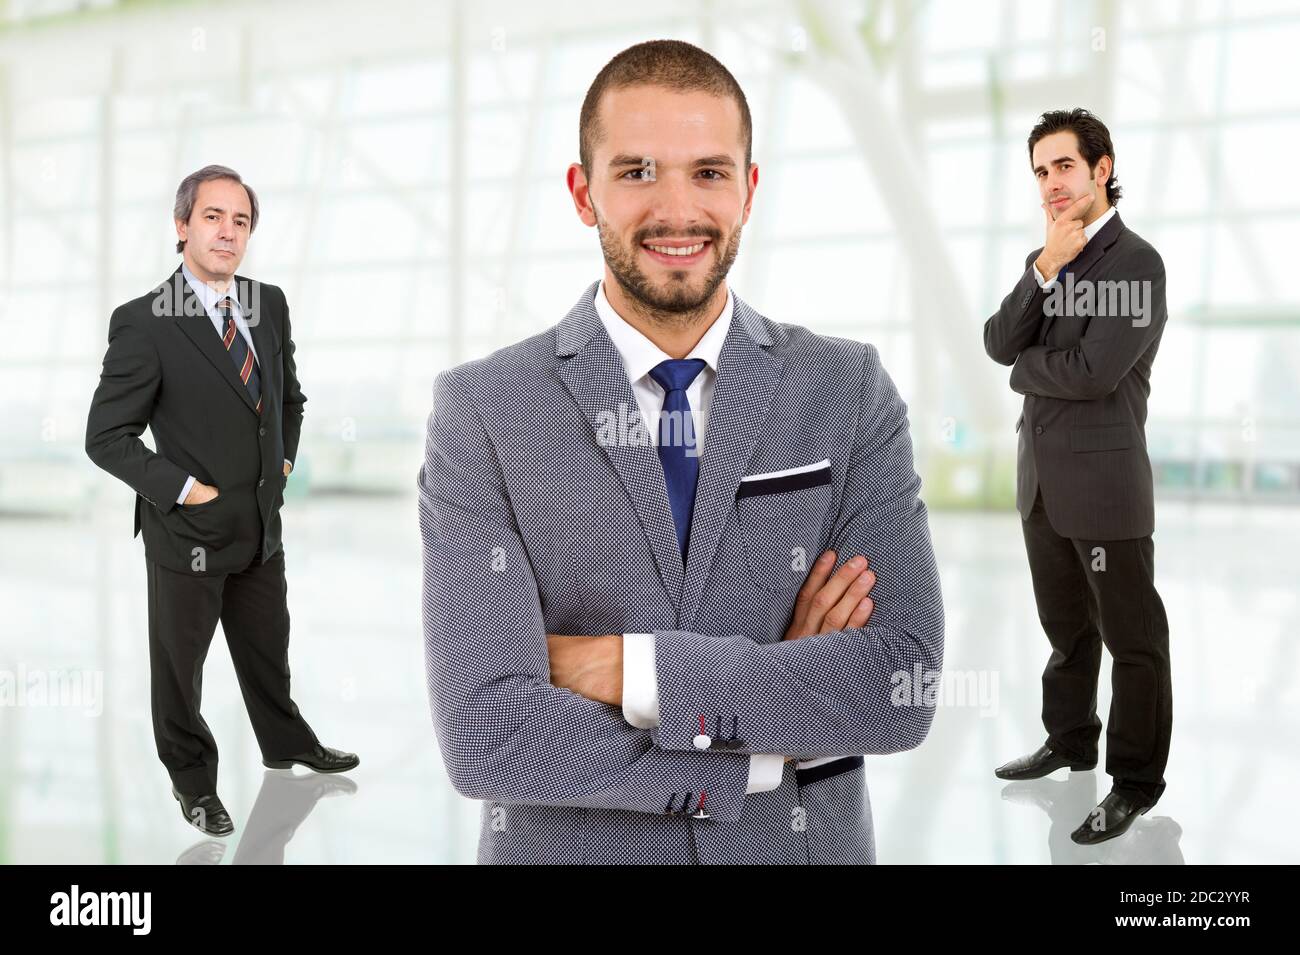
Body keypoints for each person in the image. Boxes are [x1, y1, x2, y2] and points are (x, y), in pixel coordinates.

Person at [419, 40, 944, 864]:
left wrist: (629, 671)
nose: (676, 210)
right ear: (582, 192)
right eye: (636, 172)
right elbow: (488, 732)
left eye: (707, 171)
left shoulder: (846, 392)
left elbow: (896, 682)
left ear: (748, 189)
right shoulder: (484, 410)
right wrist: (770, 735)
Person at [85, 164, 357, 837]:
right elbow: (105, 436)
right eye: (213, 217)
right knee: (181, 670)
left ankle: (285, 741)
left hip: (261, 523)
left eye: (240, 221)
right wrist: (184, 489)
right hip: (189, 532)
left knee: (269, 646)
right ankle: (193, 781)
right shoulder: (145, 322)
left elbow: (289, 397)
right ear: (182, 227)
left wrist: (284, 460)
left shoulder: (268, 303)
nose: (228, 232)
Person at [984, 109, 1172, 845]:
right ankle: (1070, 739)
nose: (1051, 183)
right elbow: (1000, 339)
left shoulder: (1137, 262)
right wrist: (1043, 270)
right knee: (1066, 630)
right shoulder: (1049, 257)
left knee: (1132, 636)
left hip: (1105, 485)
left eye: (1064, 165)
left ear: (1102, 167)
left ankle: (1135, 780)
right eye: (1040, 171)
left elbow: (1095, 372)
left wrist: (1026, 370)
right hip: (1042, 483)